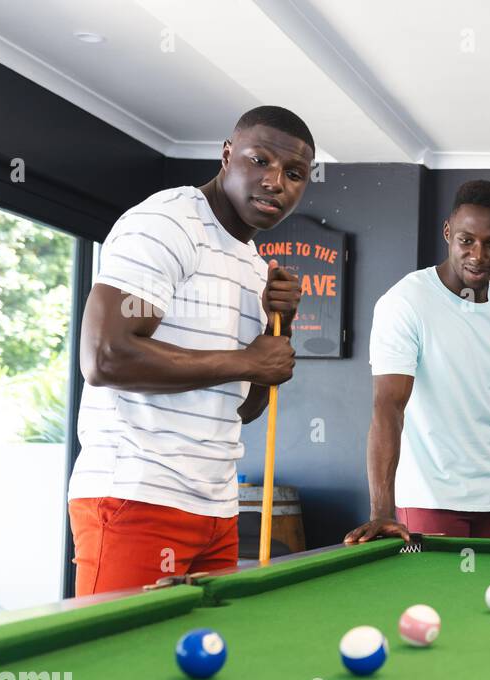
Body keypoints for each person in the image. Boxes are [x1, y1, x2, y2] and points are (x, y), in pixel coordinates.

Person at [67, 106, 313, 595]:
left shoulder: (252, 266)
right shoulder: (167, 224)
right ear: (226, 154)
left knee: (196, 668)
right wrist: (248, 360)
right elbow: (104, 356)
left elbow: (242, 407)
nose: (274, 182)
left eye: (294, 174)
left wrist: (274, 332)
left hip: (217, 508)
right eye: (259, 160)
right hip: (136, 496)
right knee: (119, 666)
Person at [344, 180, 490, 543]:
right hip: (428, 497)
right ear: (448, 232)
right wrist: (381, 513)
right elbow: (388, 408)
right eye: (466, 240)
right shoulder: (405, 302)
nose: (478, 255)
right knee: (430, 601)